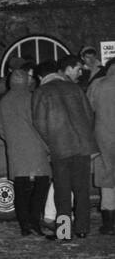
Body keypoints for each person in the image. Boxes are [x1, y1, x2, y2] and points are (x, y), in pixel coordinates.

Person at [33, 55, 98, 241]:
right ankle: (83, 229)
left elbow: (39, 123)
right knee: (81, 190)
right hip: (81, 146)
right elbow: (89, 115)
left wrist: (50, 143)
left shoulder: (42, 92)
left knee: (62, 192)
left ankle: (64, 231)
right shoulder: (75, 88)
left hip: (60, 148)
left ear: (40, 77)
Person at [0, 66, 51, 236]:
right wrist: (48, 145)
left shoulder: (4, 101)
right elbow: (42, 123)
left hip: (16, 149)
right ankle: (35, 220)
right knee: (41, 186)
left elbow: (1, 128)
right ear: (27, 82)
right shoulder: (32, 98)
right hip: (36, 147)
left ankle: (24, 225)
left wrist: (13, 140)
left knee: (21, 188)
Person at [87, 61, 115, 234]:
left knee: (107, 180)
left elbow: (88, 109)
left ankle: (109, 224)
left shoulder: (97, 85)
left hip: (104, 137)